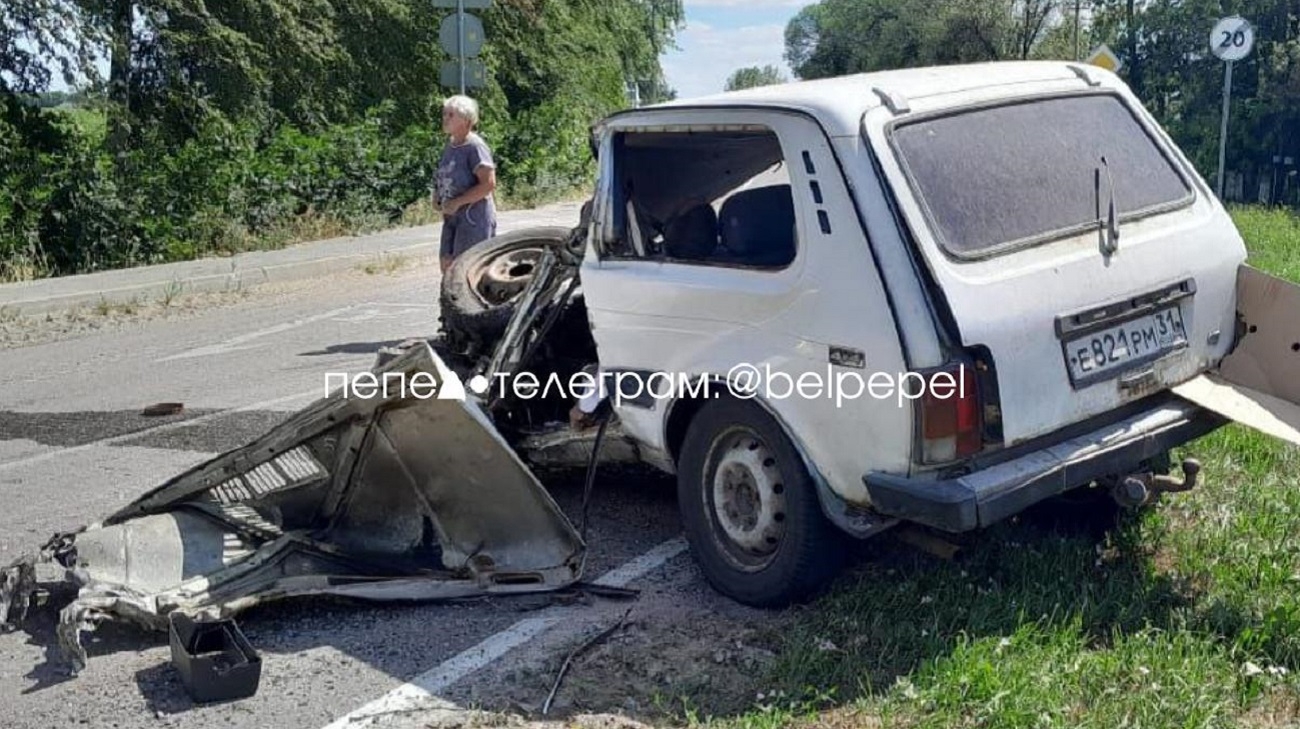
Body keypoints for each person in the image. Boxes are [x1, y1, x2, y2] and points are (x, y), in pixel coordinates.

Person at [434, 95, 498, 273]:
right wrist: (437, 197)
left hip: (474, 218)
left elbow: (488, 184)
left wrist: (458, 202)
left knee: (467, 271)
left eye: (451, 115)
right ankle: (451, 301)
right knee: (447, 267)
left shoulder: (475, 147)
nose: (445, 118)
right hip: (451, 216)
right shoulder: (451, 145)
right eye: (445, 114)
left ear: (467, 120)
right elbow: (443, 174)